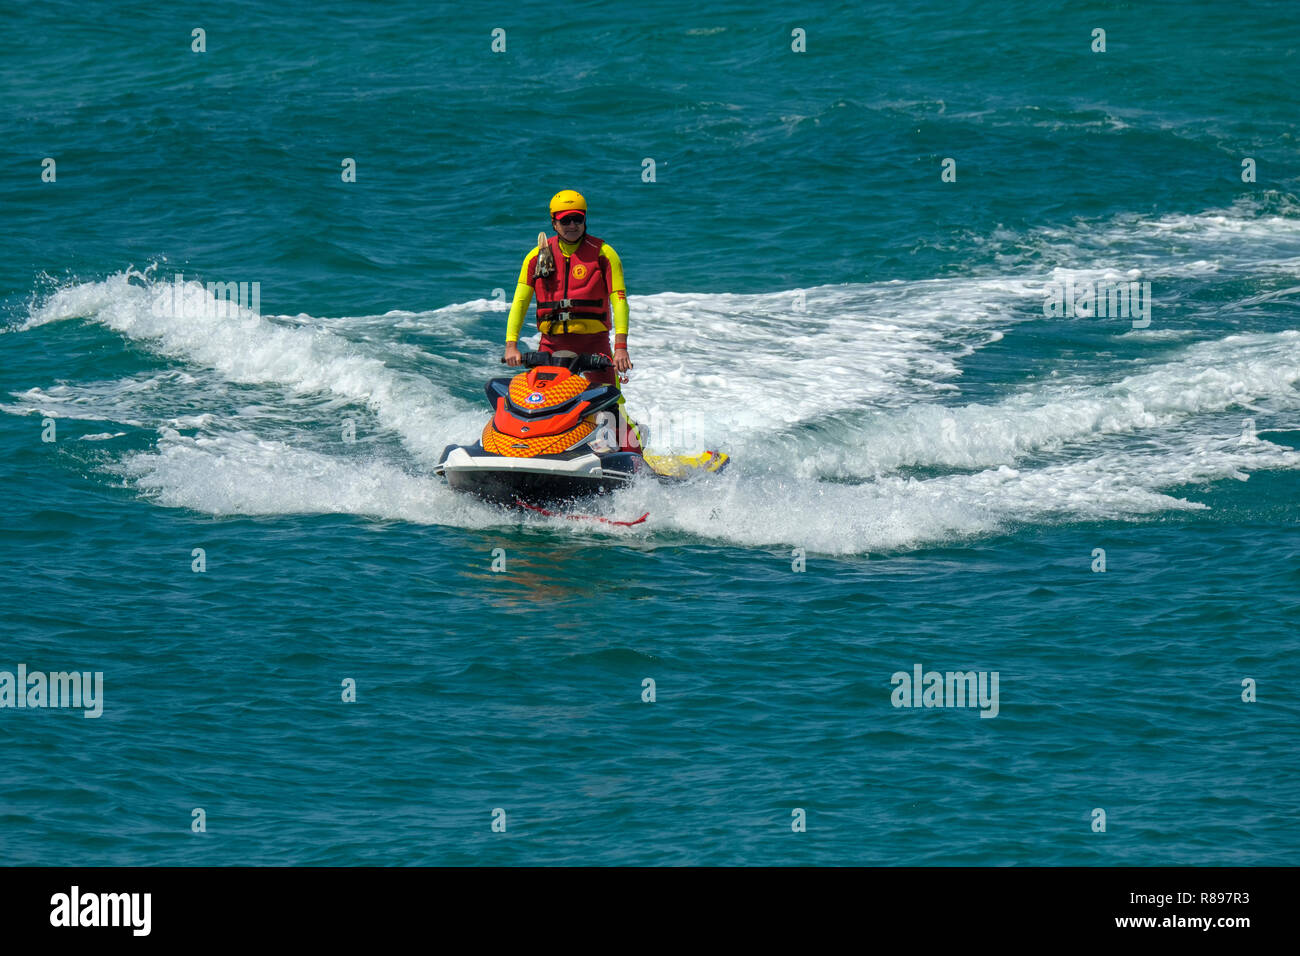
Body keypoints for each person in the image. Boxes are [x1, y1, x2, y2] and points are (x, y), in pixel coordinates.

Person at [503, 190, 645, 452]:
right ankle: (531, 450)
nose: (572, 225)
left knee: (609, 406)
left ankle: (634, 453)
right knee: (538, 403)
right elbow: (520, 302)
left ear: (585, 220)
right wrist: (511, 345)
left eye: (577, 219)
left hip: (595, 345)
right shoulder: (535, 257)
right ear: (554, 222)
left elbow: (619, 300)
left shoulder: (604, 253)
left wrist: (621, 347)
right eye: (565, 220)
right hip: (552, 345)